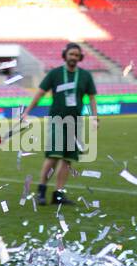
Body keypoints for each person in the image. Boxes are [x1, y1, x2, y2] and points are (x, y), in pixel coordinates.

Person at [19, 42, 98, 206]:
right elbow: (40, 93)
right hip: (58, 119)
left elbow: (91, 98)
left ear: (80, 58)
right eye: (71, 54)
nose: (74, 58)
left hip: (75, 121)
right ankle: (42, 190)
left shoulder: (85, 76)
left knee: (68, 159)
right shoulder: (55, 74)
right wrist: (27, 111)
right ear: (65, 55)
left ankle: (58, 194)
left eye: (77, 55)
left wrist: (95, 117)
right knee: (53, 156)